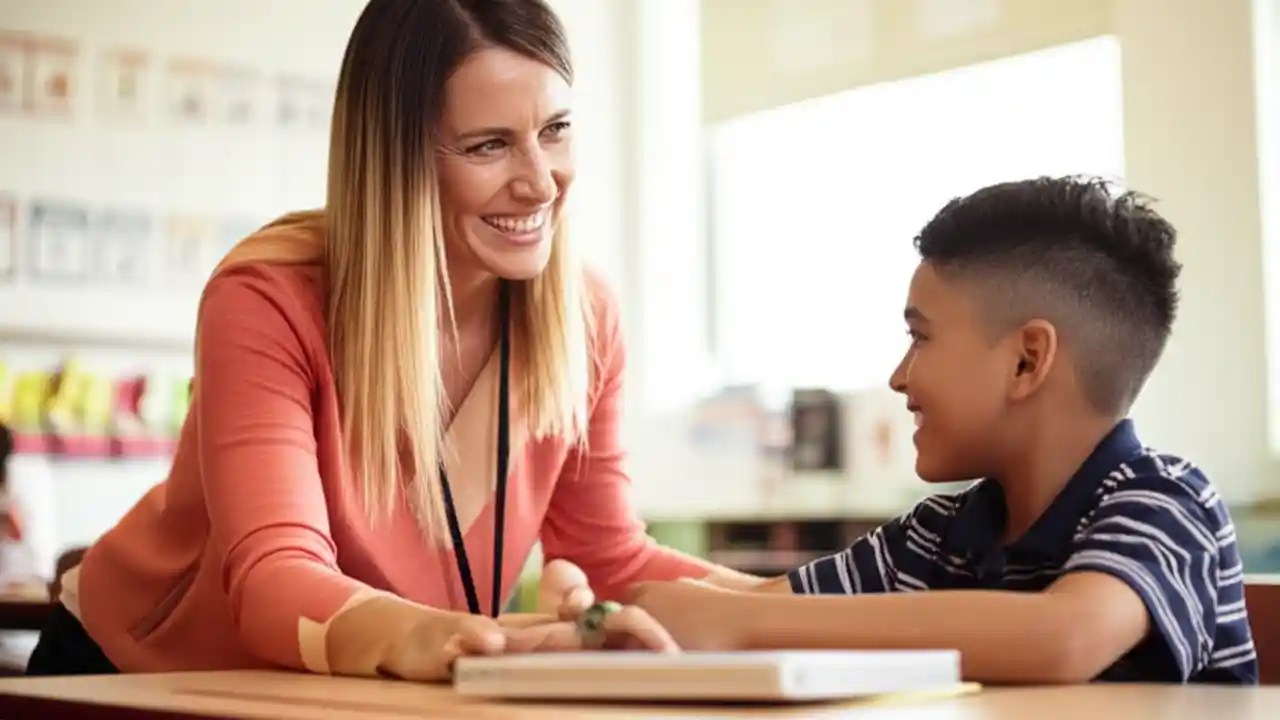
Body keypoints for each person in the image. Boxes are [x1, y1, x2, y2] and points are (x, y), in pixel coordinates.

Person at [26, 0, 746, 680]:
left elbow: (610, 557)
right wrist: (495, 640)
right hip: (135, 674)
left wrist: (809, 596)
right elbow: (275, 580)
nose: (541, 182)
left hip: (355, 686)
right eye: (489, 145)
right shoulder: (267, 298)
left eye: (555, 130)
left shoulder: (586, 315)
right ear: (399, 161)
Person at [624, 176, 1259, 684]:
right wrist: (607, 616)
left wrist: (735, 622)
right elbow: (762, 600)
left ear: (1026, 361)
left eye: (919, 338)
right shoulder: (938, 536)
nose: (899, 378)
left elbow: (1065, 636)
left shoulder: (1168, 501)